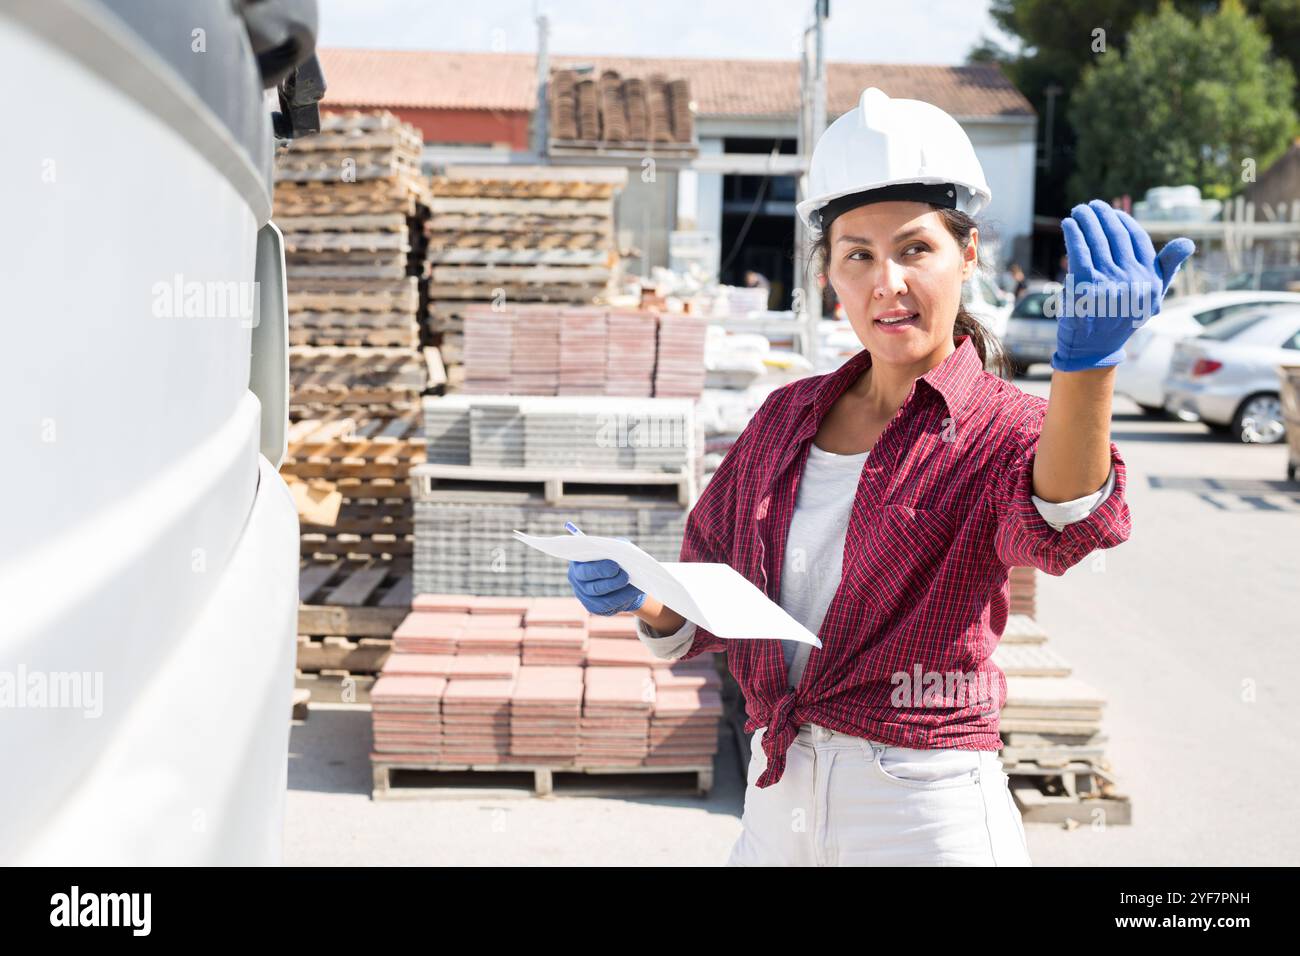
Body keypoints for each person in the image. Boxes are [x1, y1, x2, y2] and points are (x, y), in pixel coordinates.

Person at [567, 87, 1193, 866]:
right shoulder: (785, 418)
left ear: (967, 256)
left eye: (914, 249)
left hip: (923, 811)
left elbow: (1066, 519)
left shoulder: (1001, 426)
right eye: (857, 253)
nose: (885, 282)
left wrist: (1087, 372)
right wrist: (648, 596)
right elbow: (711, 604)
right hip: (778, 798)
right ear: (830, 272)